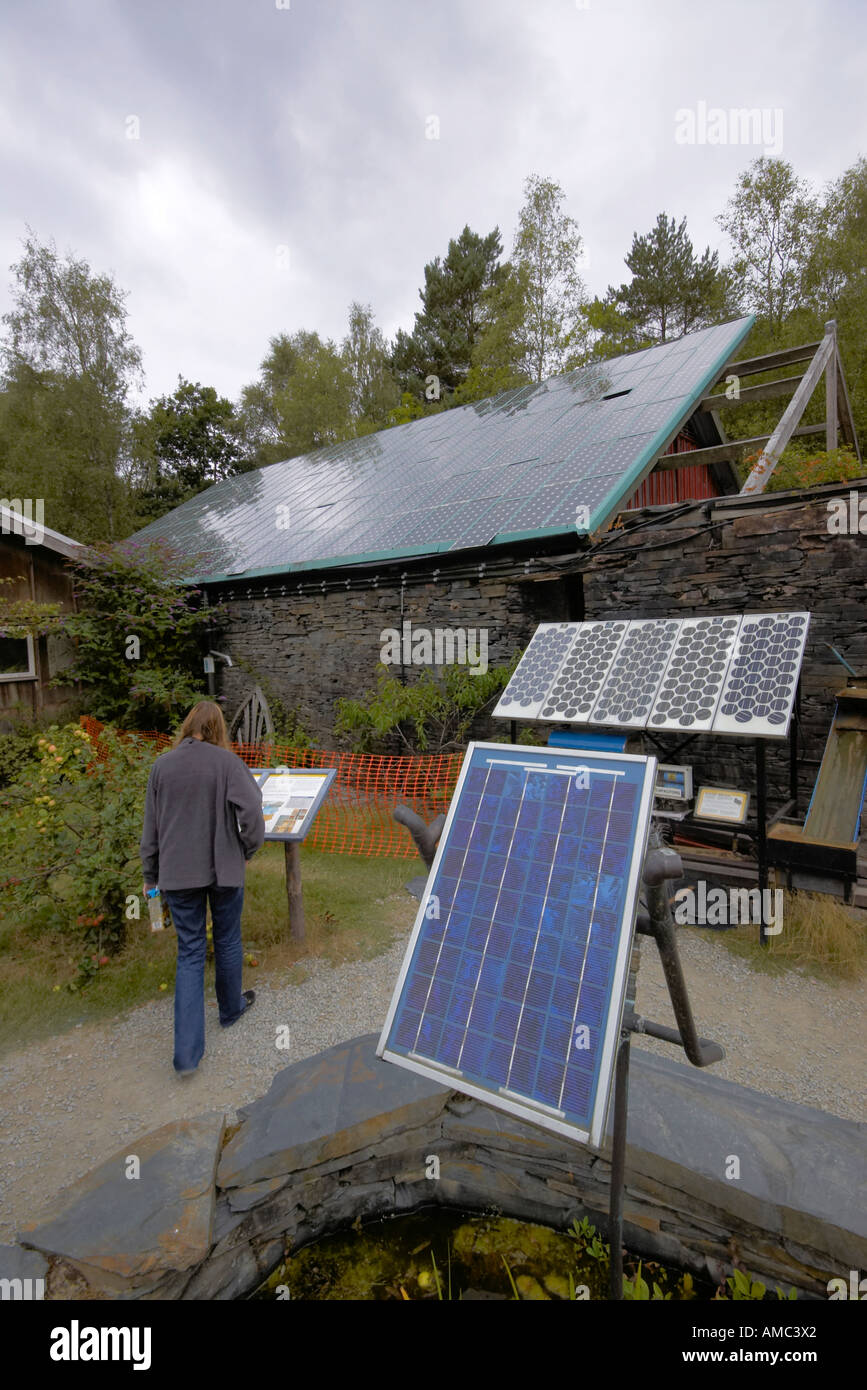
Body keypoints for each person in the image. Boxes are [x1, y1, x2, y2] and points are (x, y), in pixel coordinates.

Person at [140, 700, 265, 1075]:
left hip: (176, 876)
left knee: (190, 953)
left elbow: (151, 831)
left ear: (188, 727)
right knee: (227, 940)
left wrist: (150, 878)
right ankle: (230, 1011)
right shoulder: (228, 764)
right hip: (224, 870)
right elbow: (253, 814)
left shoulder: (161, 767)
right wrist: (248, 849)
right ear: (216, 729)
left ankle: (186, 1057)